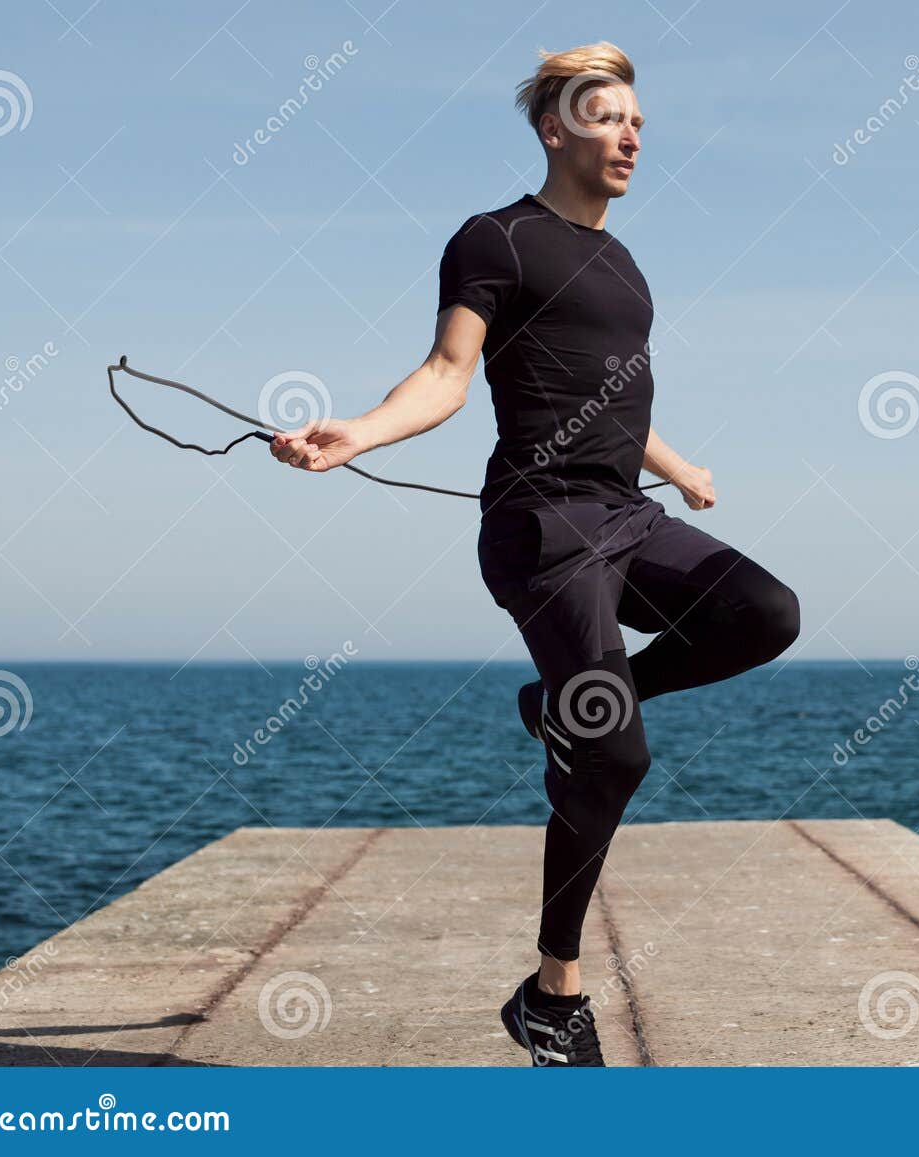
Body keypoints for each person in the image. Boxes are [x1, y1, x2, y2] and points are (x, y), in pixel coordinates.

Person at [267, 41, 801, 1066]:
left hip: (627, 512)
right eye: (606, 115)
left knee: (764, 611)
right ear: (554, 128)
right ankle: (552, 995)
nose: (630, 133)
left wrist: (679, 466)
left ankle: (564, 706)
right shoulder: (495, 240)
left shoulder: (625, 266)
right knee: (618, 750)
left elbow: (610, 394)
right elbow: (445, 371)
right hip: (541, 526)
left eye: (638, 119)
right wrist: (357, 431)